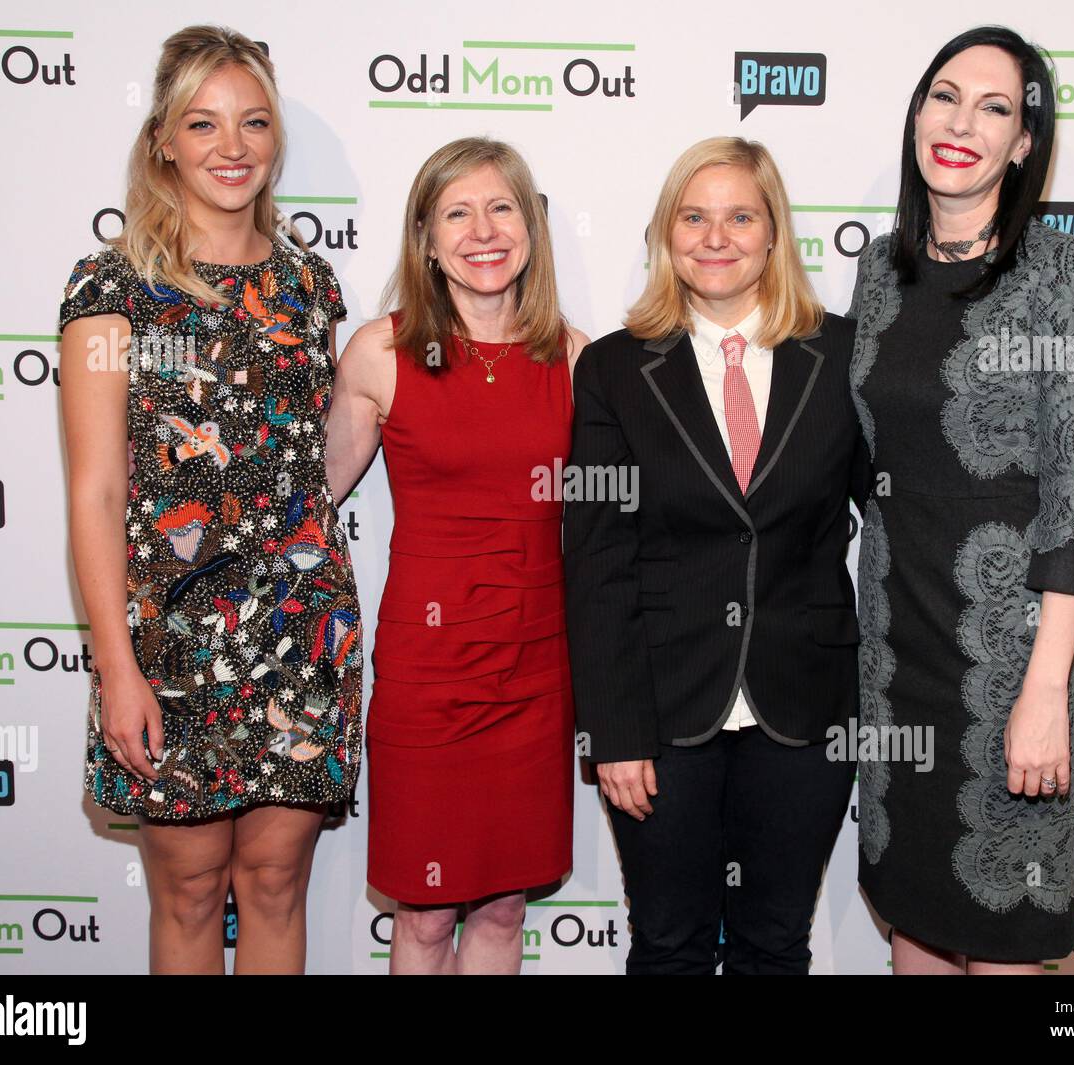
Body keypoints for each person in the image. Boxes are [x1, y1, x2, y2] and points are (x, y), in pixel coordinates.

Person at [58, 25, 361, 974]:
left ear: (275, 141)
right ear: (165, 141)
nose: (232, 147)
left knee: (276, 883)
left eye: (253, 123)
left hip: (299, 630)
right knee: (189, 892)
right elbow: (97, 490)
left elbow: (309, 465)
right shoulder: (111, 289)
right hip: (169, 640)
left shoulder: (311, 287)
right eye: (204, 124)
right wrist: (118, 666)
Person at [563, 137, 869, 974]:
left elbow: (895, 511)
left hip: (805, 708)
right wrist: (614, 729)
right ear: (668, 234)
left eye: (740, 216)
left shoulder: (840, 356)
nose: (716, 236)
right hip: (660, 712)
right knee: (669, 945)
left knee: (775, 944)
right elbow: (596, 559)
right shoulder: (617, 368)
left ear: (773, 233)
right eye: (693, 217)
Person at [847, 25, 1074, 973]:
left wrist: (1046, 689)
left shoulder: (1065, 275)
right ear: (916, 113)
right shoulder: (878, 275)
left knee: (1005, 945)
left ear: (1025, 143)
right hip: (895, 663)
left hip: (1011, 667)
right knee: (913, 942)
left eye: (995, 108)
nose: (961, 124)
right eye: (944, 96)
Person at [325, 137, 588, 975]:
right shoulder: (382, 351)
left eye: (502, 207)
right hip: (428, 672)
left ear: (531, 228)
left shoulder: (579, 360)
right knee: (427, 913)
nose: (483, 230)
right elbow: (307, 509)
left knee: (506, 907)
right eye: (458, 212)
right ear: (427, 239)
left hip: (535, 666)